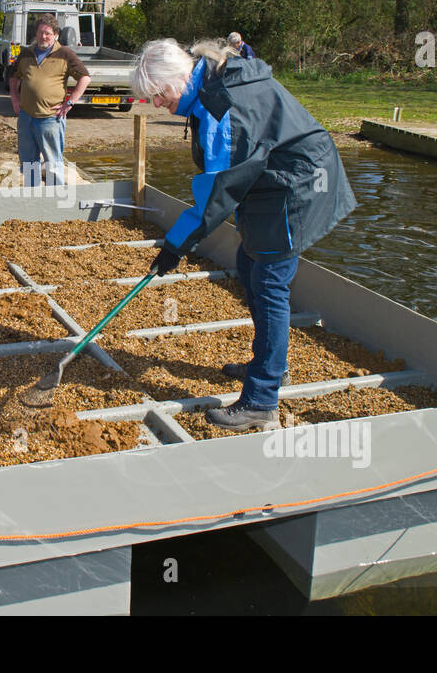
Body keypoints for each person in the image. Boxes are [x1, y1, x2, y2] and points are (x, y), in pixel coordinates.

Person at [131, 38, 356, 432]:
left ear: (177, 78)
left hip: (297, 185)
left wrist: (174, 246)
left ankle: (261, 400)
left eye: (157, 93)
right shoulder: (209, 85)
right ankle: (272, 365)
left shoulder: (221, 107)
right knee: (247, 264)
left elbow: (215, 195)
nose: (156, 103)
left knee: (269, 283)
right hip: (268, 180)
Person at [8, 16, 90, 186]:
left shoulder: (65, 54)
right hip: (26, 117)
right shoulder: (26, 53)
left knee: (53, 164)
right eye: (40, 32)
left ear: (55, 35)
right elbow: (13, 77)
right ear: (36, 33)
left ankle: (54, 202)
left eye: (47, 33)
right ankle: (33, 199)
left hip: (51, 118)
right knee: (29, 162)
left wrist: (70, 102)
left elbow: (85, 78)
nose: (43, 37)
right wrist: (15, 98)